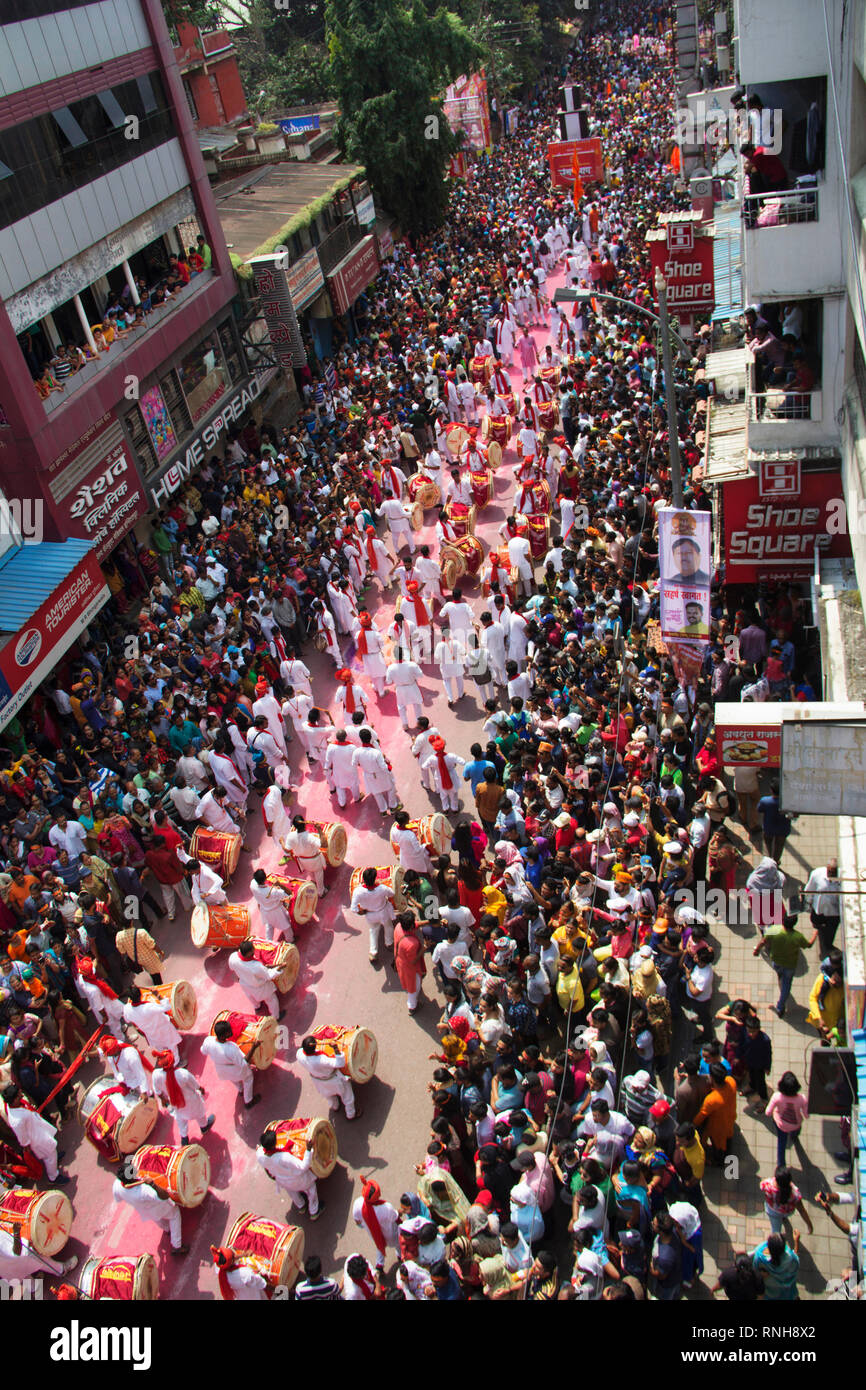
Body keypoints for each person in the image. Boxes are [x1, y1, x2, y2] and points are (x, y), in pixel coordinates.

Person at [113, 1158, 187, 1254]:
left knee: (158, 1220)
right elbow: (164, 1196)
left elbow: (117, 1199)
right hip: (159, 1207)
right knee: (175, 1215)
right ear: (131, 1178)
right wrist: (152, 1184)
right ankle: (177, 1245)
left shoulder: (117, 1185)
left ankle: (168, 1229)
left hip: (144, 1210)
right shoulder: (144, 1190)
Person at [753, 912, 817, 1018]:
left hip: (776, 961)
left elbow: (763, 941)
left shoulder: (774, 930)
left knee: (780, 975)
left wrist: (757, 950)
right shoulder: (797, 937)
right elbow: (808, 945)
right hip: (789, 965)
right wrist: (815, 934)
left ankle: (780, 984)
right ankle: (780, 1006)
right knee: (786, 986)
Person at [257, 1127, 322, 1219]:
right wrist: (308, 1150)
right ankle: (314, 1210)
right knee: (311, 1189)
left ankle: (301, 1205)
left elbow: (259, 1151)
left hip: (282, 1181)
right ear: (274, 1144)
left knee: (292, 1192)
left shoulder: (259, 1155)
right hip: (299, 1180)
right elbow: (303, 1166)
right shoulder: (283, 1157)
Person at [151, 1050, 215, 1144]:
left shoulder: (156, 1075)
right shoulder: (183, 1074)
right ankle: (204, 1127)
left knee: (181, 1120)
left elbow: (157, 1090)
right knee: (200, 1114)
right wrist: (201, 1089)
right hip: (191, 1101)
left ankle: (184, 1139)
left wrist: (163, 1099)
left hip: (175, 1103)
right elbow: (195, 1085)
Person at [297, 1034, 360, 1121]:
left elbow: (301, 1049)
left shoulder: (299, 1054)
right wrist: (335, 1048)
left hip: (318, 1081)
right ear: (314, 1048)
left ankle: (335, 1106)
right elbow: (340, 1063)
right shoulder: (321, 1059)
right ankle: (351, 1114)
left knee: (328, 1095)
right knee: (348, 1096)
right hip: (333, 1080)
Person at [201, 1017, 261, 1109]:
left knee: (234, 1080)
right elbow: (244, 1063)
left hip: (222, 1070)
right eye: (228, 1031)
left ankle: (240, 1090)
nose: (231, 1031)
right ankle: (248, 1101)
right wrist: (254, 1047)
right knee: (248, 1078)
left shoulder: (208, 1041)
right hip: (235, 1069)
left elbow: (203, 1051)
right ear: (223, 1035)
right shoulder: (231, 1048)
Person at [228, 939, 284, 1019]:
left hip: (244, 983)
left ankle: (257, 1006)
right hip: (259, 987)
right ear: (249, 953)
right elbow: (268, 976)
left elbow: (232, 968)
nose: (254, 950)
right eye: (253, 949)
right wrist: (279, 969)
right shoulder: (256, 966)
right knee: (271, 999)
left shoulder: (233, 957)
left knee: (249, 995)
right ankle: (276, 1017)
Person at [765, 1071, 809, 1168]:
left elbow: (767, 1112)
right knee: (795, 1132)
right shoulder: (802, 1099)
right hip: (796, 1124)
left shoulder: (777, 1096)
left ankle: (781, 1165)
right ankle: (794, 1136)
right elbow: (806, 1115)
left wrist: (775, 1111)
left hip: (781, 1126)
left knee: (781, 1144)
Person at [352, 1177, 400, 1267]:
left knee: (379, 1244)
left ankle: (379, 1263)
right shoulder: (386, 1207)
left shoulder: (357, 1203)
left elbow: (357, 1221)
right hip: (389, 1233)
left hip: (373, 1234)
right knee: (398, 1244)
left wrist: (365, 1225)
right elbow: (395, 1218)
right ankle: (400, 1256)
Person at [760, 1165, 813, 1238]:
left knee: (775, 1230)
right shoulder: (795, 1194)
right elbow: (802, 1210)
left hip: (772, 1212)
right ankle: (783, 1218)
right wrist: (809, 1225)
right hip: (787, 1212)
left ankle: (776, 1241)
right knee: (783, 1217)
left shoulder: (767, 1185)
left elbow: (761, 1186)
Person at [803, 857, 841, 954]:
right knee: (816, 923)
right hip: (818, 909)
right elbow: (809, 890)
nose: (831, 874)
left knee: (831, 931)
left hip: (834, 913)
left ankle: (828, 945)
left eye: (833, 872)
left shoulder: (842, 879)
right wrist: (809, 903)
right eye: (829, 871)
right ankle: (818, 930)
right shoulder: (817, 874)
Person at [751, 1231, 801, 1300]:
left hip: (770, 1295)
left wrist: (760, 1275)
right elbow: (796, 1259)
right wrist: (796, 1242)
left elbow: (754, 1276)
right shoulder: (790, 1258)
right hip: (788, 1294)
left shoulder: (759, 1259)